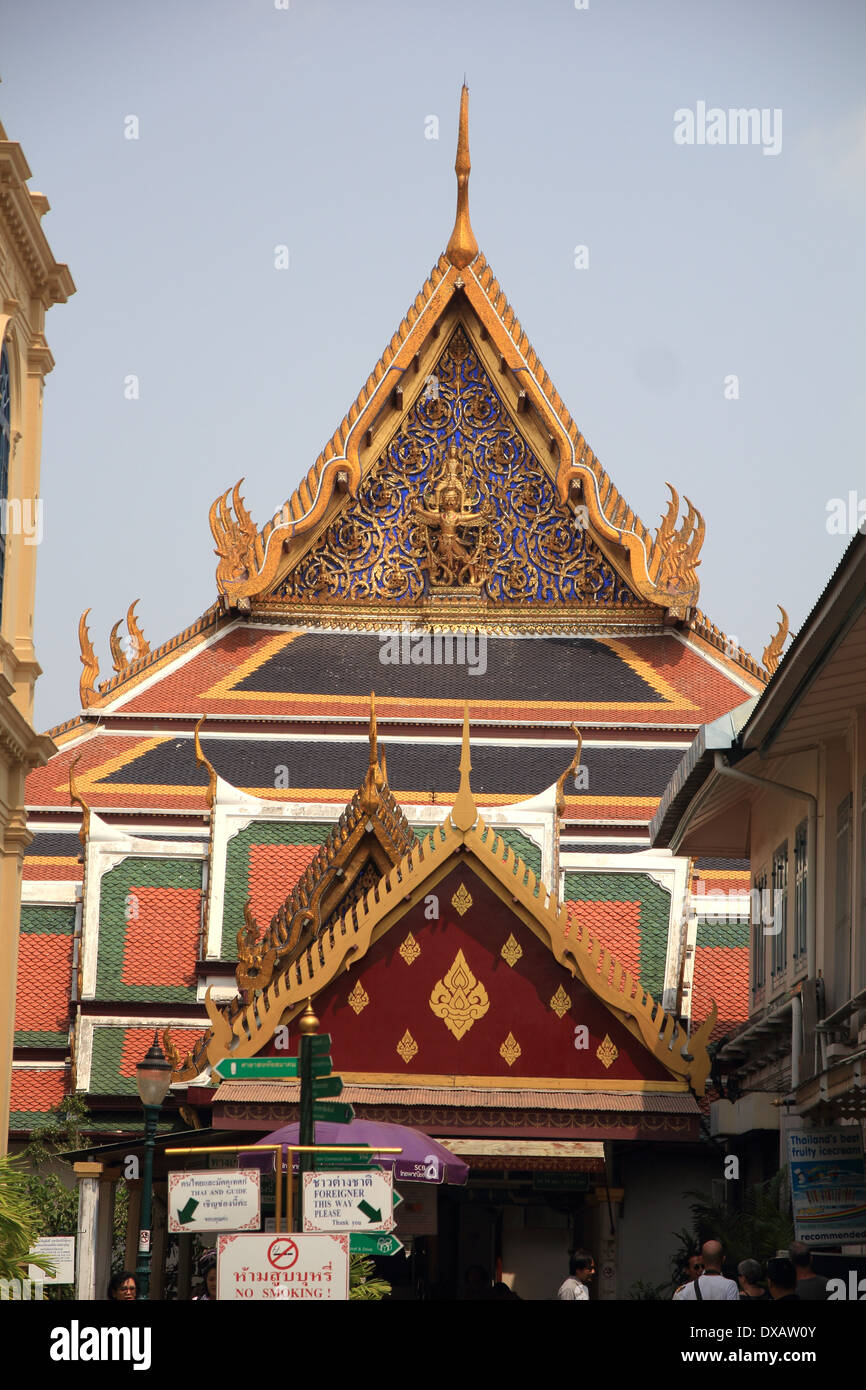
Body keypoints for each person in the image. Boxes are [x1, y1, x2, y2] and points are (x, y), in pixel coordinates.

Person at [672, 1240, 738, 1300]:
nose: (700, 1270)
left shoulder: (684, 1291)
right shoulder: (729, 1286)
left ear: (703, 1260)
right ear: (723, 1259)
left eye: (701, 1266)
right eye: (696, 1267)